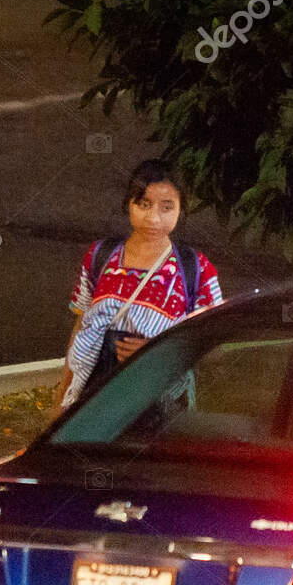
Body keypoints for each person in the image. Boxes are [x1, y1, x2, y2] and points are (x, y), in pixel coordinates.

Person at [54, 160, 222, 411]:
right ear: (128, 204)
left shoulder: (195, 268)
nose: (154, 218)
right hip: (96, 394)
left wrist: (155, 352)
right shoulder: (100, 256)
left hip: (159, 401)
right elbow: (82, 326)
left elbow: (213, 339)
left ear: (180, 210)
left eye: (167, 207)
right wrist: (61, 399)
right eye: (144, 204)